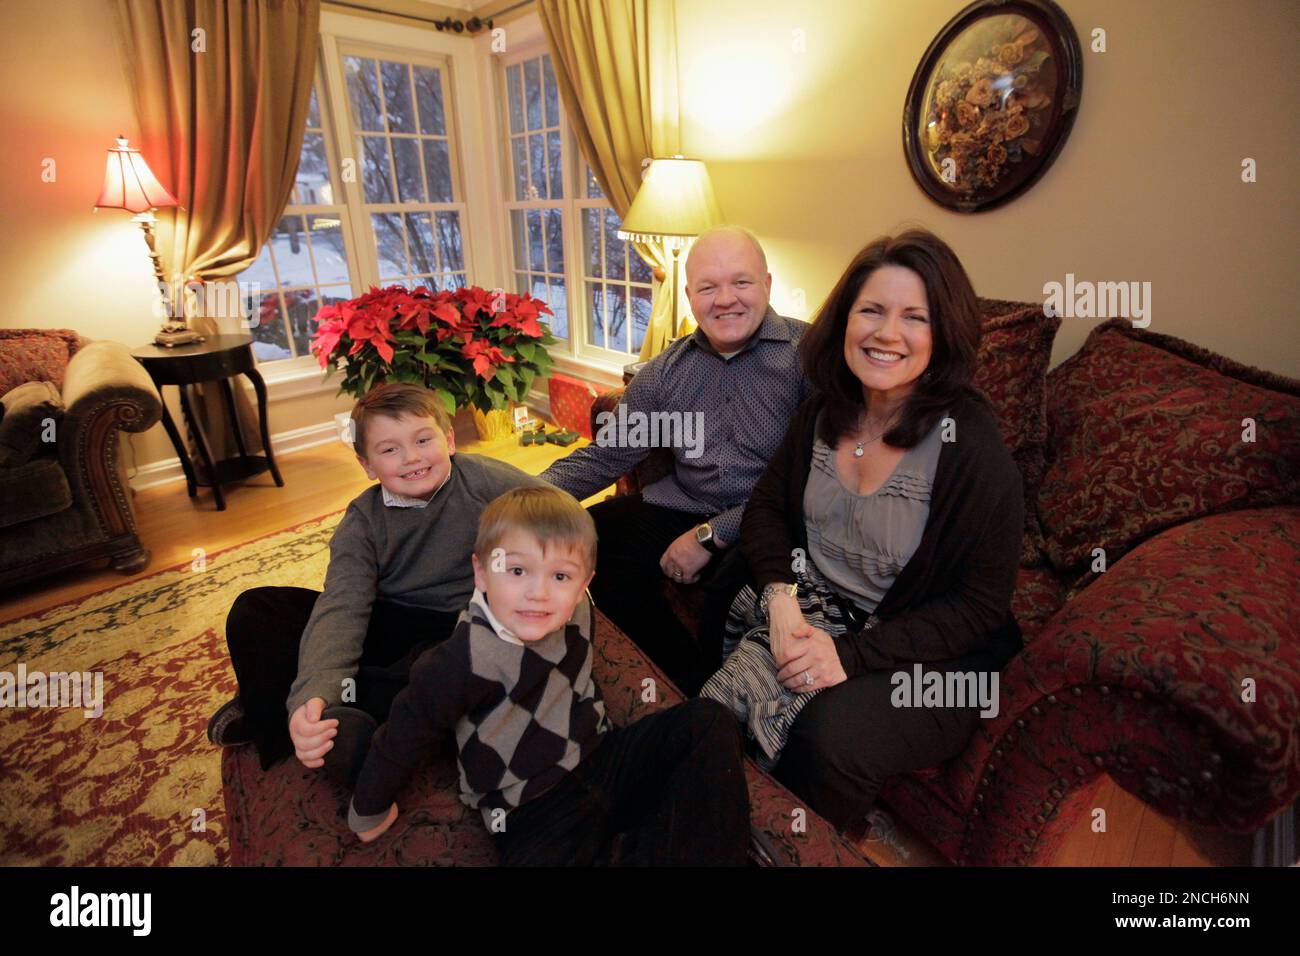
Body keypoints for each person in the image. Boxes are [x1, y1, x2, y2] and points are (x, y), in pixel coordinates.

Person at [703, 229, 1024, 829]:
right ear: (844, 320)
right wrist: (780, 597)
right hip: (819, 607)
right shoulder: (826, 409)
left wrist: (848, 656)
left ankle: (797, 843)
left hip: (935, 656)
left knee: (829, 734)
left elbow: (979, 607)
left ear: (943, 333)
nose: (886, 333)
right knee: (720, 655)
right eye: (871, 310)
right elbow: (768, 508)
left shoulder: (971, 447)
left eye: (914, 318)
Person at [346, 485, 751, 866]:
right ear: (482, 573)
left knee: (707, 720)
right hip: (530, 810)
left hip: (603, 758)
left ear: (582, 586)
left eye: (560, 576)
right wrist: (368, 809)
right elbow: (405, 731)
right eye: (517, 571)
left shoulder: (577, 608)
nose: (538, 593)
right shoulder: (459, 659)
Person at [207, 383, 541, 782]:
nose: (412, 457)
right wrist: (314, 693)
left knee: (448, 670)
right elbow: (343, 607)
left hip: (458, 626)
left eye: (423, 439)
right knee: (256, 610)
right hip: (388, 620)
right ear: (367, 465)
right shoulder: (363, 522)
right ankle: (301, 720)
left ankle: (346, 720)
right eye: (389, 449)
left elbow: (558, 515)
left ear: (449, 440)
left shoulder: (483, 479)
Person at [542, 225, 809, 694]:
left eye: (741, 283)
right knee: (588, 537)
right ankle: (671, 683)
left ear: (767, 284)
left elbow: (813, 478)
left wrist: (712, 535)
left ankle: (713, 700)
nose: (725, 299)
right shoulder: (668, 370)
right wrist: (521, 496)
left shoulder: (808, 358)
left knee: (733, 587)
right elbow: (606, 454)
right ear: (689, 295)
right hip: (683, 501)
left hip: (769, 519)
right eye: (708, 287)